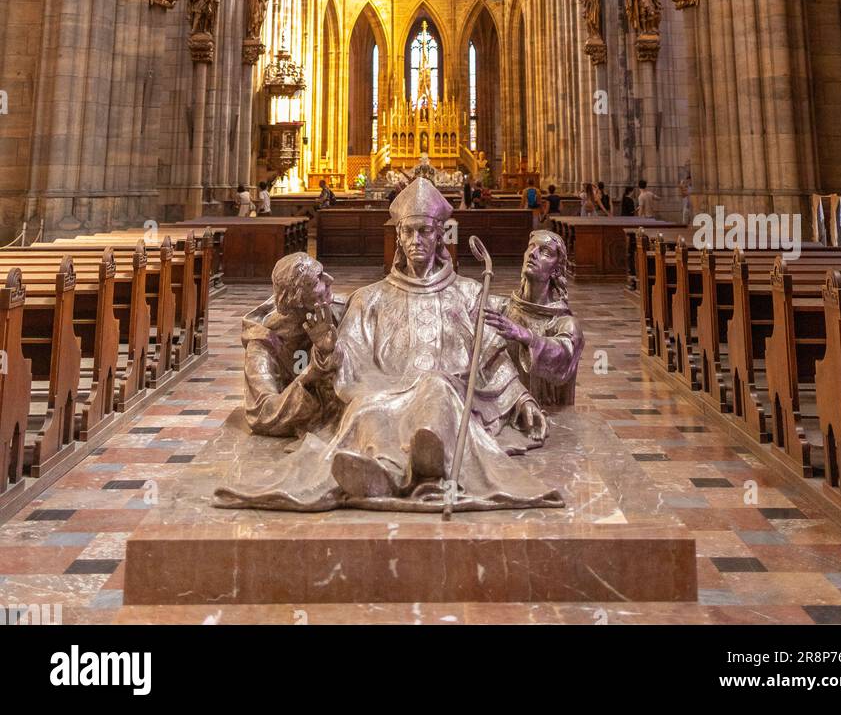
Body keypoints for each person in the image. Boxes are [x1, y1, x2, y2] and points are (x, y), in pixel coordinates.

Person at [214, 177, 560, 513]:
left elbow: (491, 356)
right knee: (365, 406)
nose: (415, 241)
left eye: (424, 231)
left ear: (440, 236)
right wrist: (324, 348)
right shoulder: (370, 298)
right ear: (398, 237)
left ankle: (426, 457)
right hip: (381, 393)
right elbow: (346, 363)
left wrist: (520, 396)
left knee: (436, 390)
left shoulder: (469, 293)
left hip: (442, 391)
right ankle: (386, 467)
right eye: (407, 232)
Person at [241, 253, 343, 436]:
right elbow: (263, 414)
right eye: (317, 279)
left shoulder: (336, 311)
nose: (330, 279)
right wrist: (312, 371)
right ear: (298, 298)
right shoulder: (262, 347)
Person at [485, 230, 585, 407]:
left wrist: (526, 336)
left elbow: (562, 356)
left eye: (545, 251)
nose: (533, 254)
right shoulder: (501, 309)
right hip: (500, 412)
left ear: (556, 270)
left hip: (546, 417)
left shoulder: (565, 324)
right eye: (531, 248)